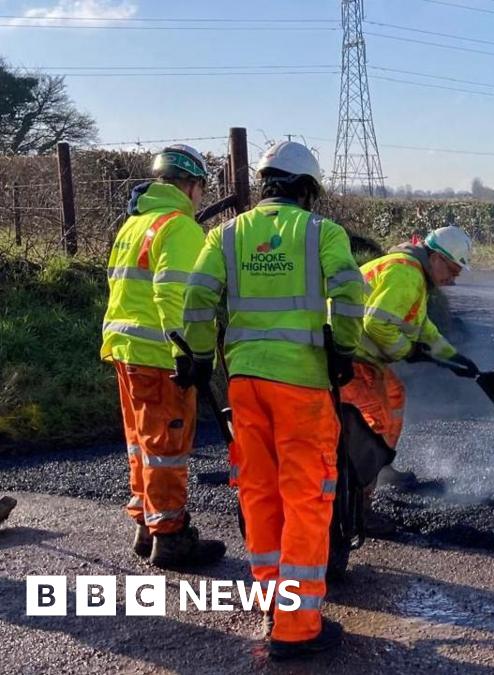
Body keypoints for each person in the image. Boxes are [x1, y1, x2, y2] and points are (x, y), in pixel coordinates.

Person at [180, 140, 365, 660]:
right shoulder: (321, 232)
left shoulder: (226, 234)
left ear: (265, 184)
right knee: (307, 496)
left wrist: (199, 356)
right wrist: (343, 349)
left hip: (245, 382)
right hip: (302, 384)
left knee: (259, 491)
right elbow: (349, 293)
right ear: (306, 189)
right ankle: (297, 627)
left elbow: (197, 296)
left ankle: (272, 602)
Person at [100, 144, 224, 569]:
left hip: (126, 351)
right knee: (166, 447)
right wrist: (188, 352)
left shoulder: (134, 224)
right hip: (159, 356)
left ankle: (146, 526)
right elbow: (175, 296)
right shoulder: (180, 227)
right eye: (201, 189)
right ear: (192, 185)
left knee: (142, 446)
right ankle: (170, 537)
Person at [341, 226, 481, 531]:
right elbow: (376, 324)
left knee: (393, 396)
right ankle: (356, 509)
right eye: (453, 270)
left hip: (355, 353)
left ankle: (380, 468)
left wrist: (453, 358)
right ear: (437, 258)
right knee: (375, 420)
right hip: (346, 354)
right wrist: (408, 351)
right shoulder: (406, 274)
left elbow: (422, 327)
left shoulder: (412, 272)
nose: (453, 280)